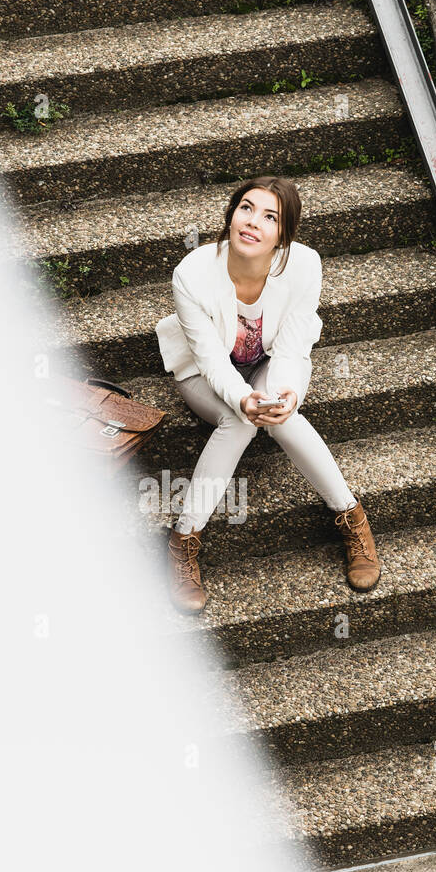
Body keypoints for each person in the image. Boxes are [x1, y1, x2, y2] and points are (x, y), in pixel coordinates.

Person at [154, 174, 381, 614]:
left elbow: (294, 346)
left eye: (269, 216)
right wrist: (243, 400)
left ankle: (353, 518)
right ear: (231, 215)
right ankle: (184, 539)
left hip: (271, 362)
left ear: (284, 234)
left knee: (284, 414)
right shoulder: (192, 274)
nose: (252, 221)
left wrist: (286, 393)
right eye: (245, 208)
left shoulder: (304, 265)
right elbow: (212, 362)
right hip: (203, 372)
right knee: (241, 419)